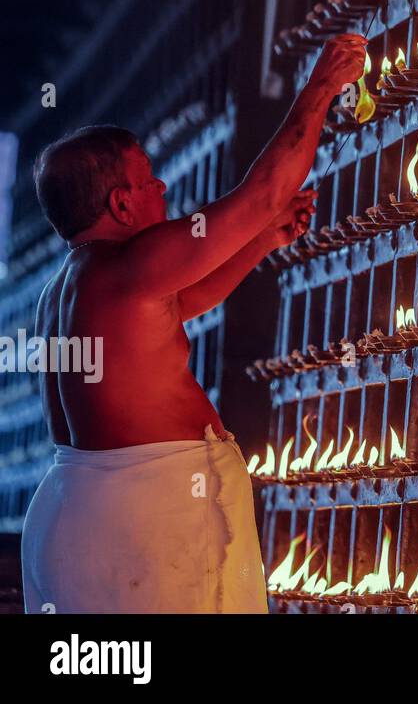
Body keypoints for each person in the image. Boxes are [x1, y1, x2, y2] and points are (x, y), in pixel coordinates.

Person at [20, 33, 367, 613]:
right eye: (147, 178)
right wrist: (322, 86)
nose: (161, 187)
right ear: (121, 206)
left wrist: (266, 238)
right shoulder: (129, 264)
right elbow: (260, 194)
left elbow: (186, 302)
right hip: (145, 524)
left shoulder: (70, 290)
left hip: (76, 516)